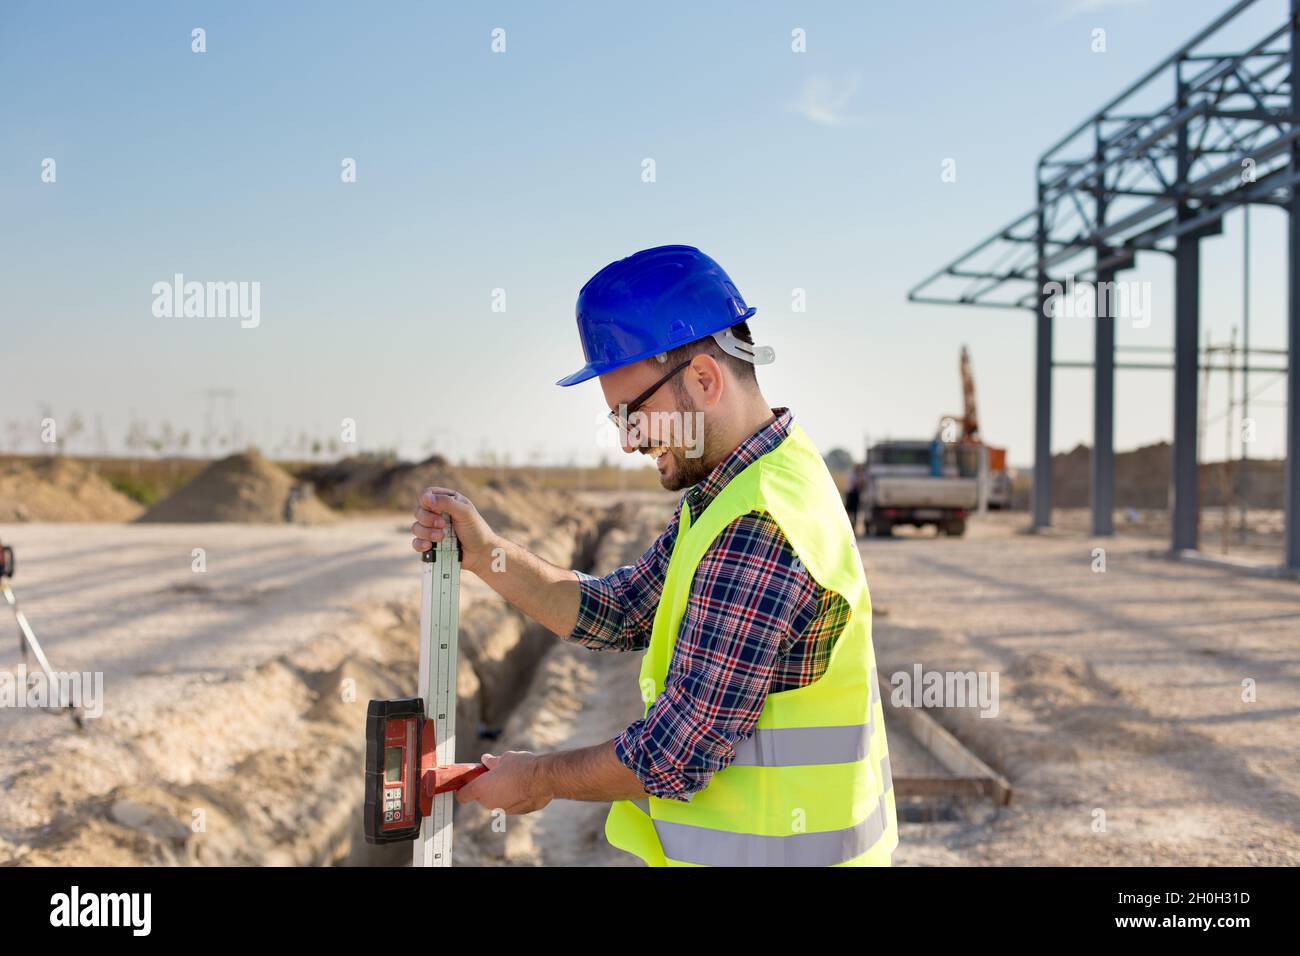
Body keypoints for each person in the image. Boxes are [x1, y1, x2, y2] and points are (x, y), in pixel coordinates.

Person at [411, 245, 896, 866]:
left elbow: (676, 752)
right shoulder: (743, 483)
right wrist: (487, 554)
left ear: (703, 379)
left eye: (631, 414)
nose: (626, 442)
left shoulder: (759, 523)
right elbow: (622, 611)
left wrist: (535, 779)